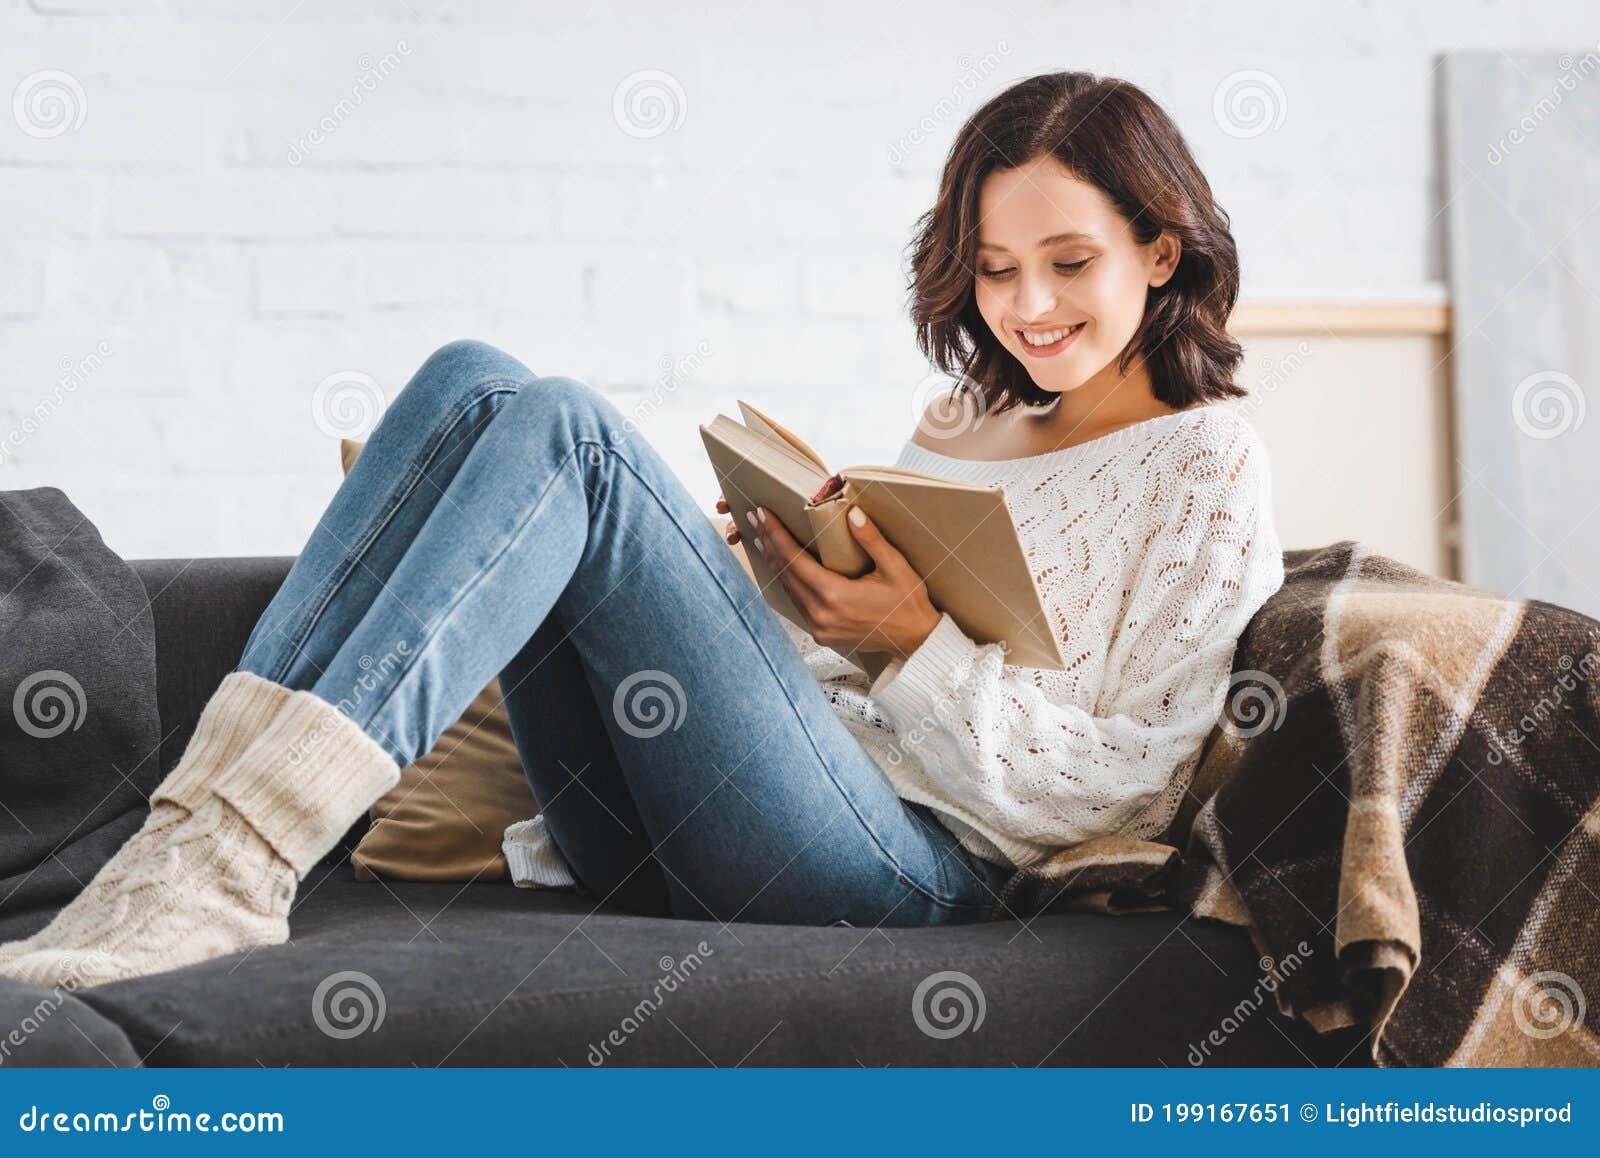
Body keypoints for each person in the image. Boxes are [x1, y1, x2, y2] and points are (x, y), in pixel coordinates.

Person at [0, 70, 1283, 989]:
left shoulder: (1204, 460)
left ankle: (235, 859)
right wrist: (778, 584)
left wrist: (914, 649)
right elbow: (844, 679)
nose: (1026, 305)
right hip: (718, 815)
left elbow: (1143, 786)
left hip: (913, 872)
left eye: (1068, 262)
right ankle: (193, 838)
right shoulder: (961, 418)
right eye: (996, 268)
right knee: (474, 376)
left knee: (568, 429)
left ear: (1159, 252)